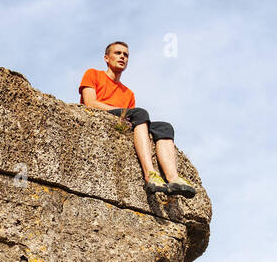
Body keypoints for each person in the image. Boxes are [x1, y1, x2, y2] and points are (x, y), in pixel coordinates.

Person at [79, 41, 197, 197]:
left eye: (126, 55)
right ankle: (150, 175)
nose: (122, 57)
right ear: (106, 58)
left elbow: (136, 123)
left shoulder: (128, 93)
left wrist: (128, 115)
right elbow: (90, 102)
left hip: (126, 119)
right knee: (139, 113)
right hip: (101, 115)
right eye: (118, 53)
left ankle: (173, 179)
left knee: (164, 127)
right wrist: (125, 114)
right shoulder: (93, 74)